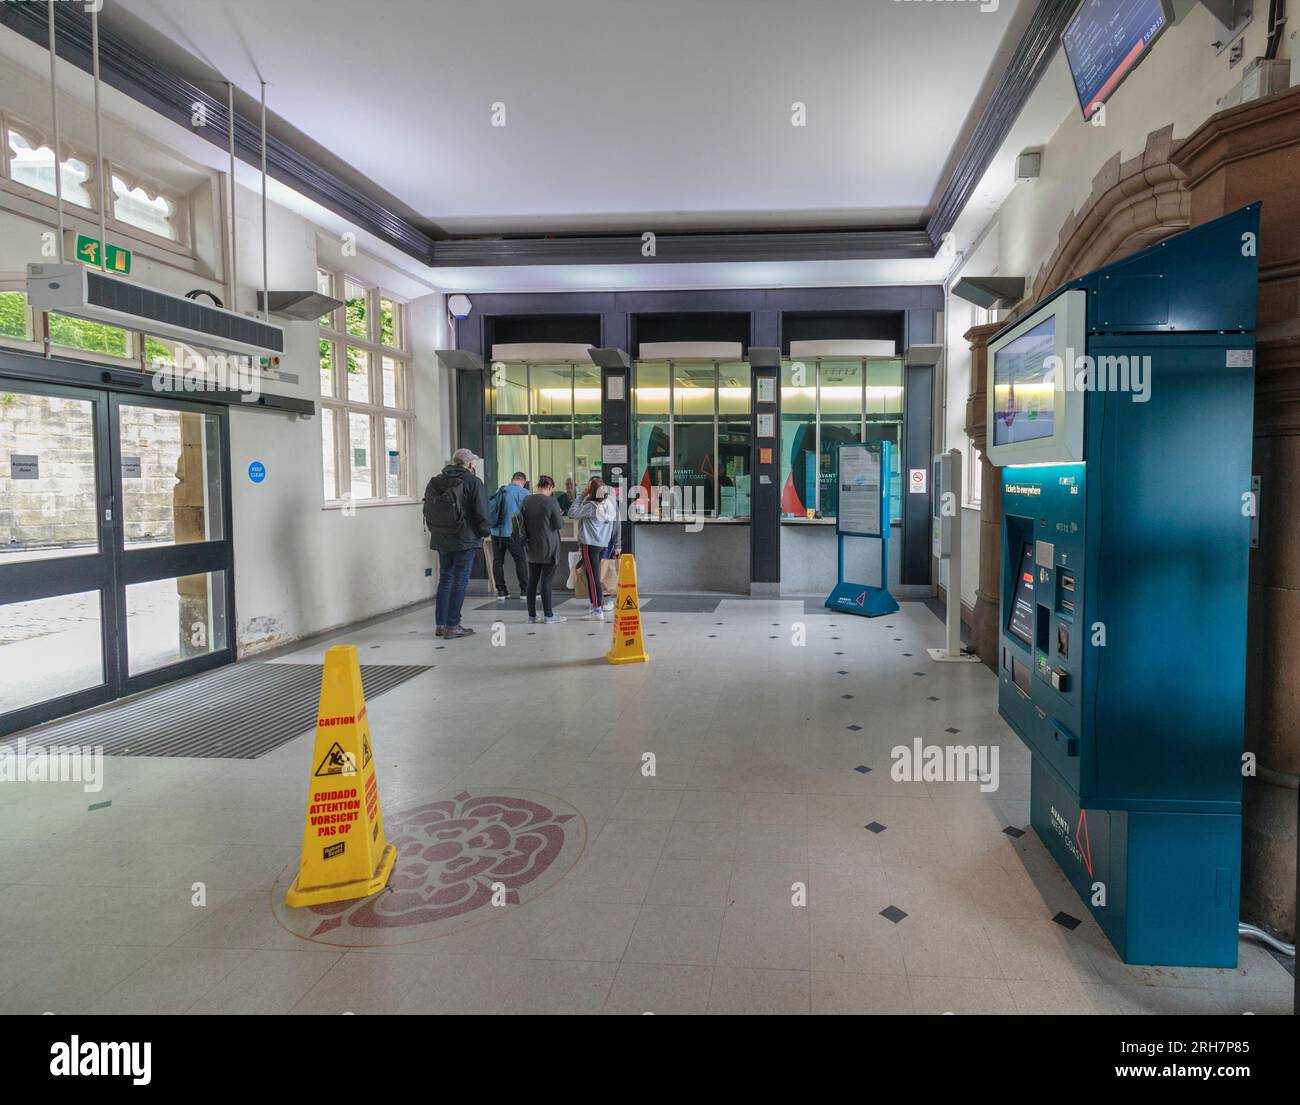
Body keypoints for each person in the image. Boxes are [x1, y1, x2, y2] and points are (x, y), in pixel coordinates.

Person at [423, 448, 490, 639]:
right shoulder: (472, 481)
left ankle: (441, 624)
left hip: (441, 537)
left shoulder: (436, 480)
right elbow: (481, 512)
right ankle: (453, 625)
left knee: (445, 578)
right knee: (460, 580)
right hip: (465, 538)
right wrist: (484, 532)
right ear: (469, 464)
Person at [518, 475, 567, 624]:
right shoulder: (551, 501)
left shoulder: (526, 500)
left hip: (531, 546)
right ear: (550, 488)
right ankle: (548, 615)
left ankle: (532, 616)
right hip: (549, 546)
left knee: (532, 581)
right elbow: (559, 525)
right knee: (546, 581)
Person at [568, 476, 618, 620]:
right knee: (592, 575)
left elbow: (572, 513)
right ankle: (594, 604)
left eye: (587, 487)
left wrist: (581, 496)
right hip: (602, 544)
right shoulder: (609, 503)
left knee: (593, 576)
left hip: (589, 545)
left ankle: (597, 609)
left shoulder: (591, 506)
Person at [487, 470, 530, 601]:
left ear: (513, 479)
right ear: (523, 481)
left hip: (496, 532)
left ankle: (501, 591)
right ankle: (525, 590)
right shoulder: (523, 492)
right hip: (513, 532)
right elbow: (529, 513)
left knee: (497, 560)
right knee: (520, 560)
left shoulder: (499, 490)